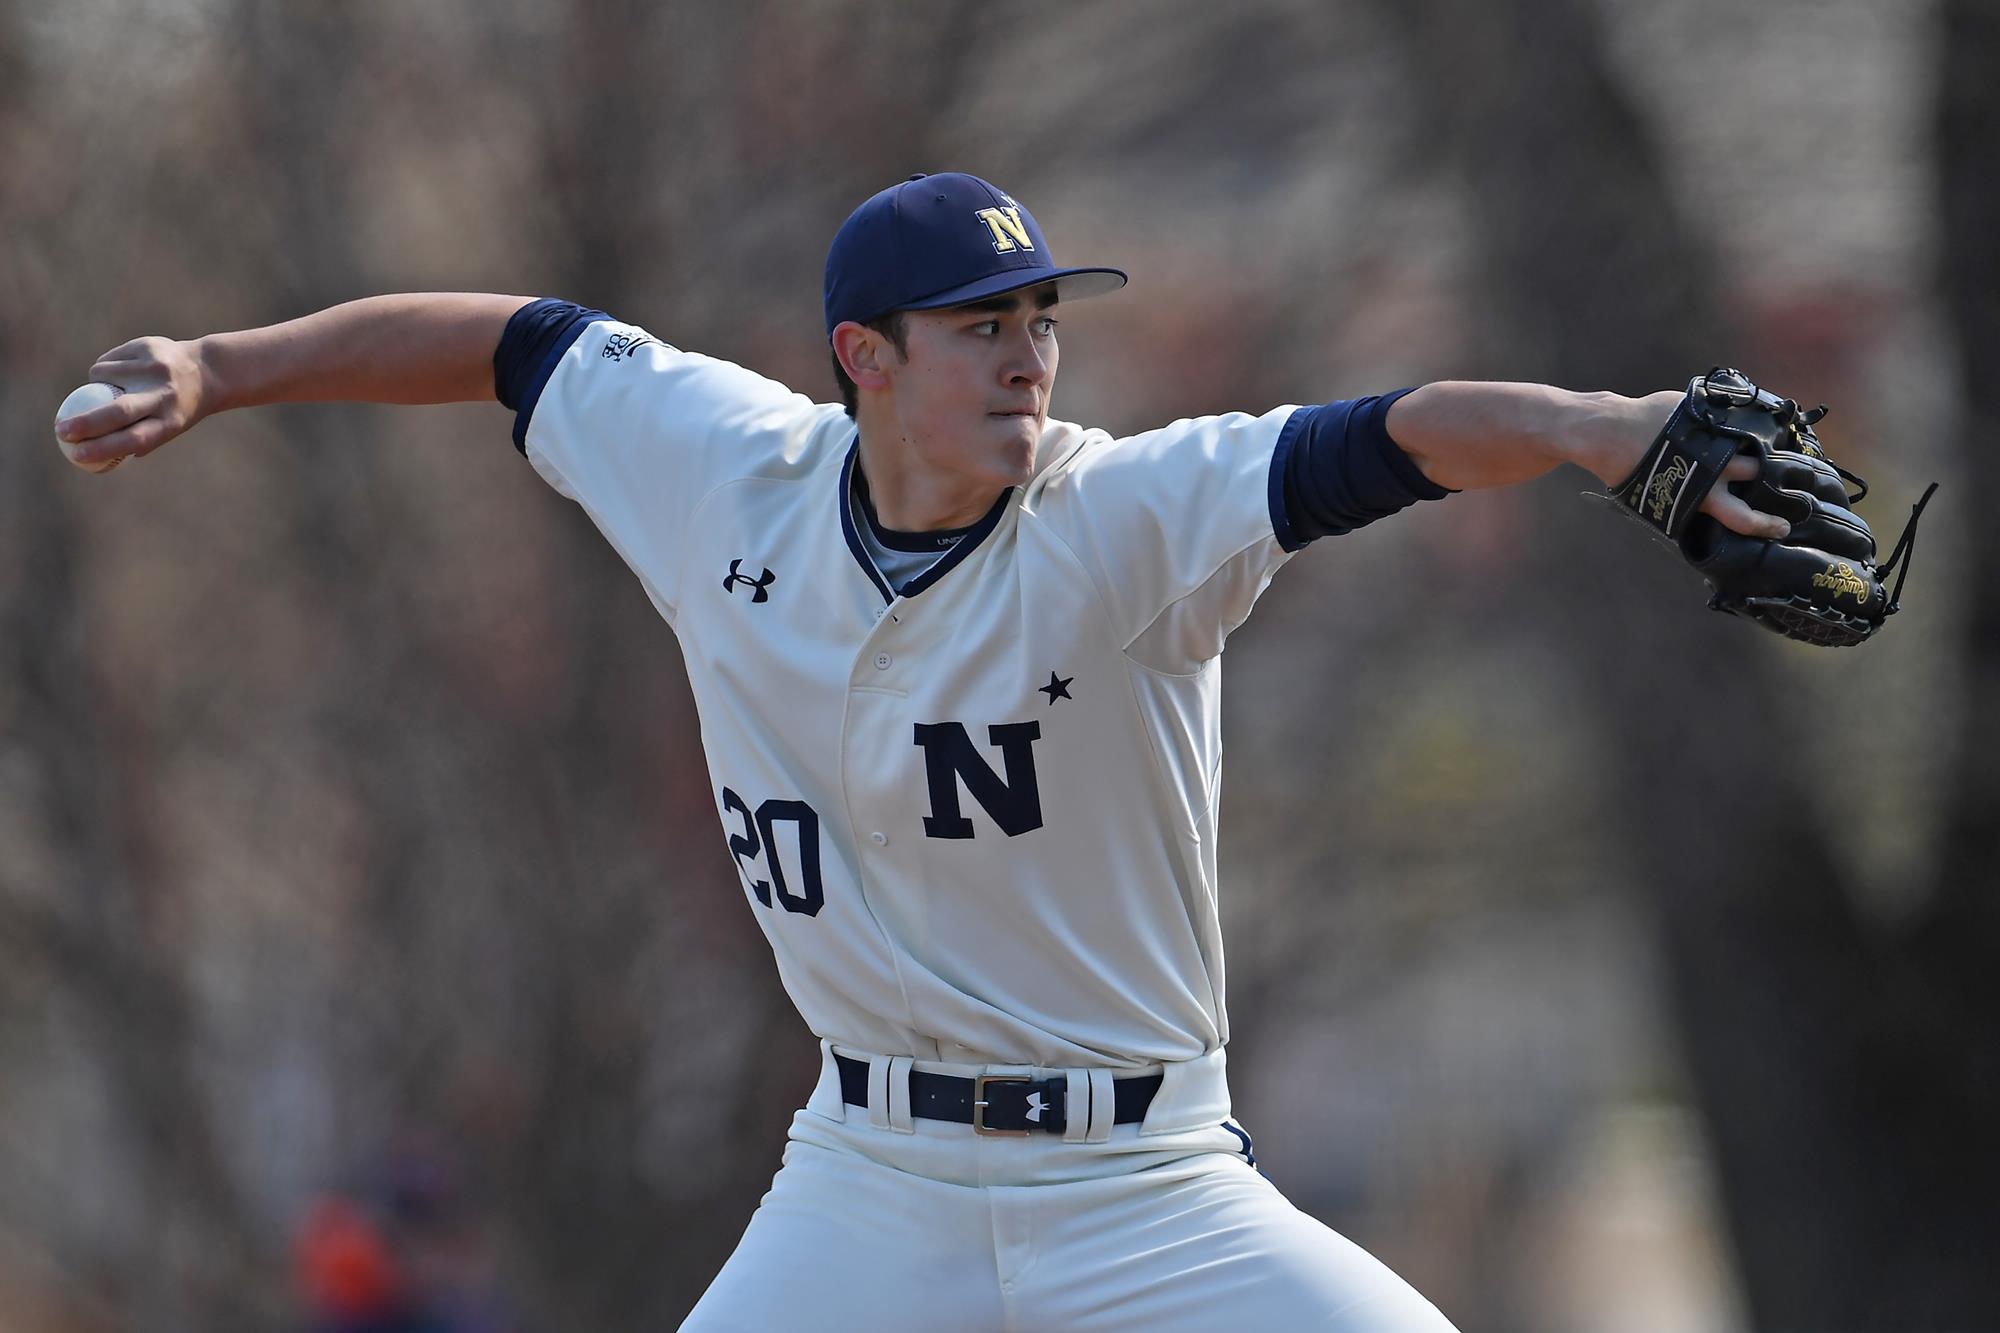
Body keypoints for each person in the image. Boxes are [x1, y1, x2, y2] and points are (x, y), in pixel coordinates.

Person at [58, 172, 1786, 1331]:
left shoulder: (1120, 515)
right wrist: (221, 364)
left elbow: (1381, 440)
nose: (1030, 353)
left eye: (1040, 318)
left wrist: (1602, 431)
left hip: (1146, 1184)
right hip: (869, 1177)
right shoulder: (719, 467)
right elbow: (507, 343)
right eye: (983, 326)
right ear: (862, 360)